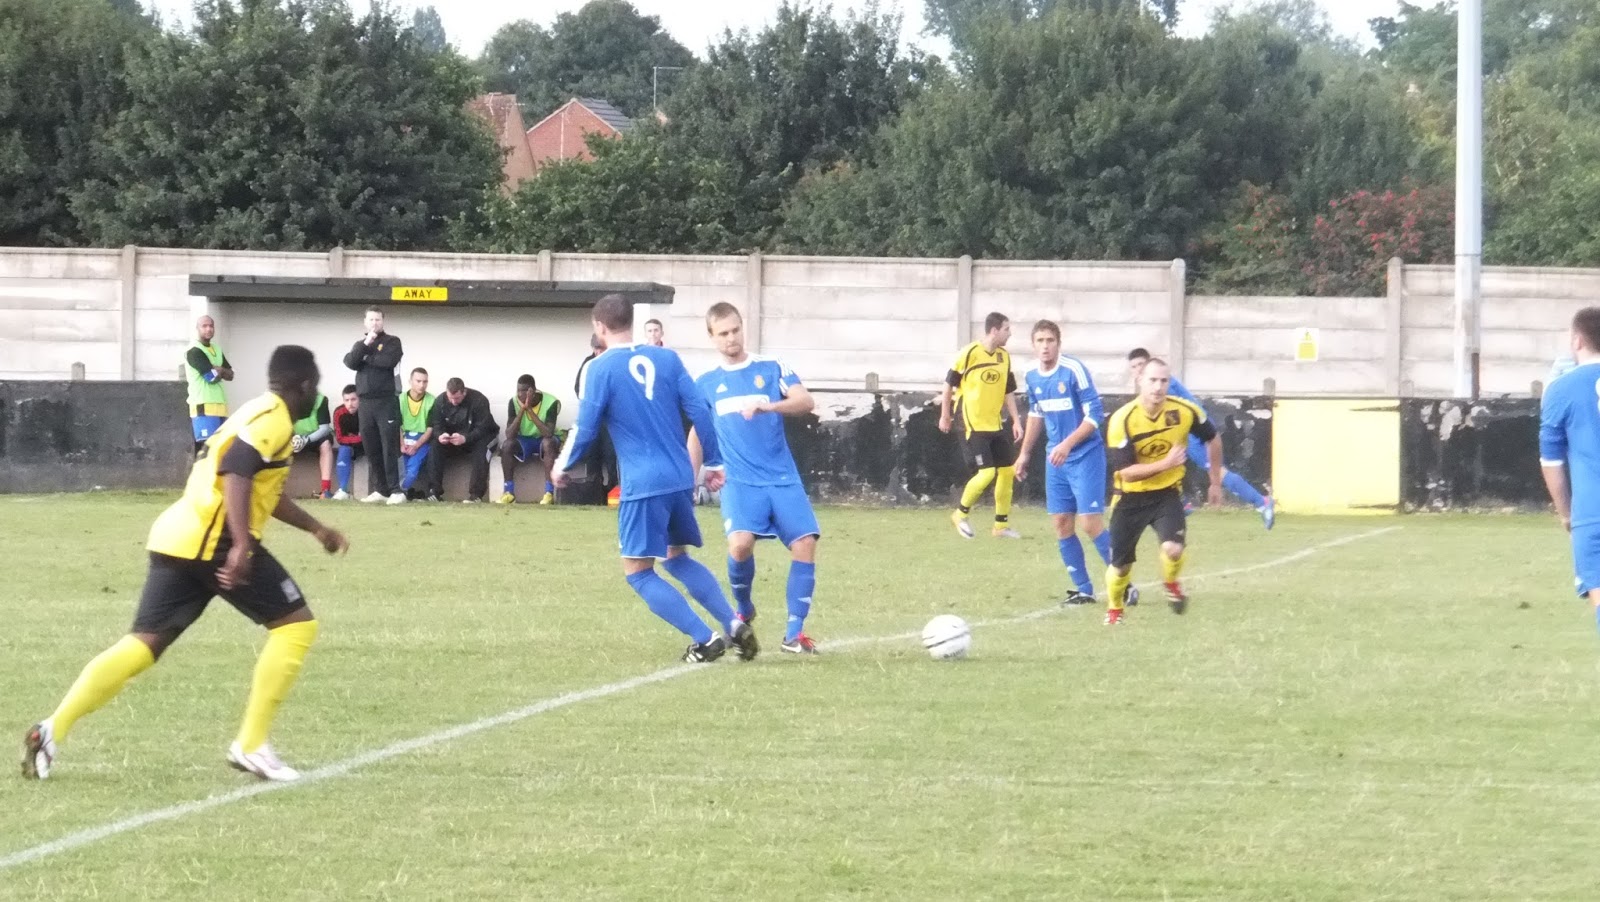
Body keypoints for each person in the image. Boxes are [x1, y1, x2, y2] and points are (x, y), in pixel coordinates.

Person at [21, 345, 349, 783]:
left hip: (177, 535)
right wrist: (240, 547)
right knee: (296, 626)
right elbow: (236, 469)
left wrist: (316, 528)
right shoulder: (273, 419)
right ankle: (251, 745)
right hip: (213, 541)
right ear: (305, 385)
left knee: (142, 645)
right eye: (315, 385)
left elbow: (258, 488)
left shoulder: (256, 412)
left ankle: (50, 730)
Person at [552, 294, 757, 663]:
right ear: (632, 322)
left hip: (643, 483)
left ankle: (706, 638)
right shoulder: (667, 357)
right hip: (679, 476)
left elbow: (586, 427)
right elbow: (699, 410)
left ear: (599, 327)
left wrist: (563, 465)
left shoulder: (598, 368)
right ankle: (733, 622)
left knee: (638, 573)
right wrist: (712, 462)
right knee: (675, 557)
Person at [691, 303, 822, 654]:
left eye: (735, 330)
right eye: (723, 333)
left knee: (805, 543)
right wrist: (692, 479)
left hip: (782, 477)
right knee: (740, 544)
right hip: (740, 482)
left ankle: (794, 635)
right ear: (711, 336)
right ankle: (744, 608)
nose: (731, 338)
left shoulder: (771, 366)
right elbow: (697, 435)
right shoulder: (705, 384)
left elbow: (805, 401)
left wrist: (770, 406)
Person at [1014, 320, 1136, 608]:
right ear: (1033, 345)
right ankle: (1083, 589)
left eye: (1050, 340)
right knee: (1060, 522)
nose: (1045, 346)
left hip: (1084, 456)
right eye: (1040, 340)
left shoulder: (1073, 371)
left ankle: (1125, 584)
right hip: (1056, 459)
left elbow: (1095, 416)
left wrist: (1067, 444)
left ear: (1059, 343)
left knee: (1090, 523)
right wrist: (1025, 454)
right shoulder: (1031, 376)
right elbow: (1036, 414)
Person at [1102, 358, 1223, 625]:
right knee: (1120, 566)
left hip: (1166, 494)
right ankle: (1114, 609)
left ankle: (1171, 583)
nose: (1158, 387)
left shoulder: (1184, 411)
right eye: (1152, 380)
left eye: (1164, 381)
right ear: (1139, 381)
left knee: (1173, 549)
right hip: (1129, 497)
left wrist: (1214, 481)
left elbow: (1213, 437)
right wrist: (1165, 463)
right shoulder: (1122, 419)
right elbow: (1124, 471)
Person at [1126, 348, 1275, 529]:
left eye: (1141, 365)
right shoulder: (1151, 388)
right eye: (1134, 367)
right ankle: (1181, 503)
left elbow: (1175, 416)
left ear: (1149, 365)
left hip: (1196, 431)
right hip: (1184, 431)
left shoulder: (1163, 386)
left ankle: (1262, 502)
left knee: (1217, 471)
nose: (1137, 369)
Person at [1539, 307, 1600, 634]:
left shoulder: (1560, 390)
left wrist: (1566, 514)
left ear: (1577, 341)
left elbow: (1551, 462)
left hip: (1593, 514)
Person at [939, 312, 1023, 540]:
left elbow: (1008, 390)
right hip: (971, 423)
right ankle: (960, 514)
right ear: (994, 330)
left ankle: (1000, 527)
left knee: (1007, 472)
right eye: (1007, 329)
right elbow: (948, 386)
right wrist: (944, 415)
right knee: (986, 473)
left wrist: (1016, 420)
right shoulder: (969, 354)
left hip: (994, 424)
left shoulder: (1004, 357)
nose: (1010, 333)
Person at [343, 306, 404, 504]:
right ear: (365, 322)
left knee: (389, 445)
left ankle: (396, 490)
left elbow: (387, 361)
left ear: (383, 321)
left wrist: (367, 358)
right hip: (366, 402)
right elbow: (350, 361)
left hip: (385, 400)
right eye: (371, 320)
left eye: (378, 320)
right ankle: (381, 489)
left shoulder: (392, 342)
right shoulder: (361, 344)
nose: (374, 323)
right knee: (371, 445)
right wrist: (365, 346)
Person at [427, 377, 497, 503]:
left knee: (482, 450)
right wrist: (440, 435)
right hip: (454, 440)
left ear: (464, 392)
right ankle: (434, 492)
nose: (453, 402)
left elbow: (483, 429)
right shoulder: (440, 401)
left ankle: (476, 495)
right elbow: (436, 424)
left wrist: (465, 438)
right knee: (434, 446)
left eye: (457, 398)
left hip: (481, 437)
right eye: (450, 398)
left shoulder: (479, 400)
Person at [498, 374, 563, 505]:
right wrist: (522, 410)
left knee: (548, 443)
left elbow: (548, 433)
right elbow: (509, 434)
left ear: (533, 390)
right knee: (507, 445)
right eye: (518, 390)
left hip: (544, 440)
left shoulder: (551, 402)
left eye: (524, 390)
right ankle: (509, 492)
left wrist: (530, 410)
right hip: (525, 441)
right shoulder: (514, 402)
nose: (520, 394)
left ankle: (548, 493)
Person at [185, 315, 234, 452]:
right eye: (204, 326)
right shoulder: (194, 351)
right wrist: (220, 372)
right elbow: (211, 377)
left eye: (211, 326)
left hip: (220, 407)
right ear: (197, 328)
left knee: (219, 450)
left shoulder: (217, 349)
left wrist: (220, 370)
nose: (208, 329)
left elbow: (231, 375)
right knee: (205, 450)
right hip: (203, 407)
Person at [396, 367, 436, 503]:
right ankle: (402, 493)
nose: (422, 385)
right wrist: (401, 444)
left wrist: (417, 446)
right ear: (410, 381)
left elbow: (430, 428)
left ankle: (401, 493)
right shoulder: (400, 399)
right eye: (418, 381)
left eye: (425, 382)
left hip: (421, 441)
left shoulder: (432, 400)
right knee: (399, 469)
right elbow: (396, 425)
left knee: (412, 471)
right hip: (402, 439)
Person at [289, 388, 336, 499]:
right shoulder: (287, 397)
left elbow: (324, 428)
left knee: (326, 444)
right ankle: (277, 490)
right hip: (293, 436)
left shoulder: (320, 399)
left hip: (314, 437)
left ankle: (326, 491)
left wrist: (306, 439)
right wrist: (292, 438)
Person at [331, 385, 362, 500]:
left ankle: (382, 491)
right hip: (350, 445)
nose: (350, 404)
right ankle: (343, 490)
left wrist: (351, 437)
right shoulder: (339, 412)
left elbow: (370, 436)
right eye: (347, 400)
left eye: (353, 399)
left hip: (368, 445)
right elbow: (340, 438)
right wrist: (358, 438)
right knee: (344, 450)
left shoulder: (365, 410)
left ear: (359, 399)